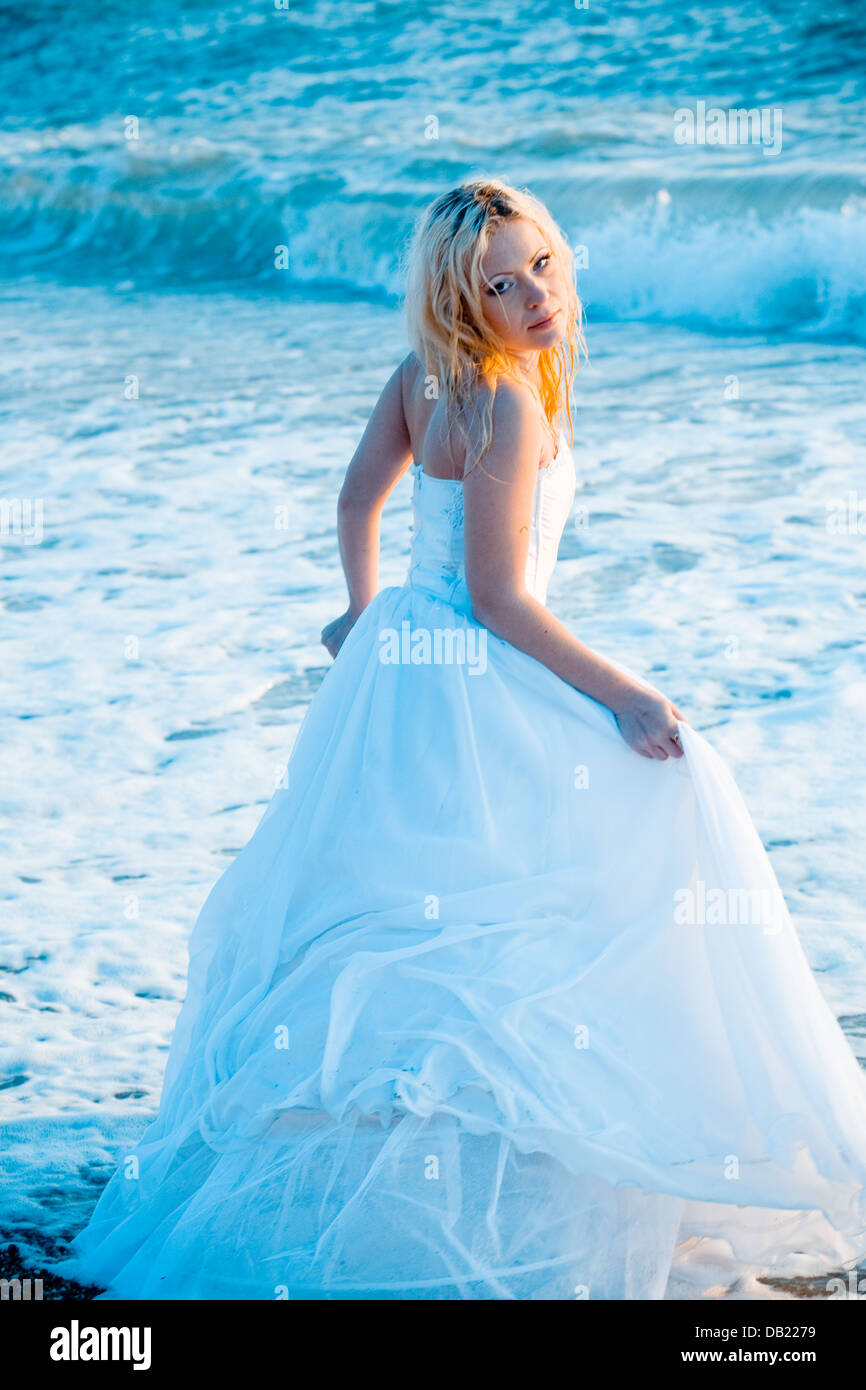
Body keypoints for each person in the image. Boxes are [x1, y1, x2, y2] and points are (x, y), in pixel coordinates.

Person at [65, 178, 866, 1300]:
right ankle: (553, 1192)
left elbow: (358, 502)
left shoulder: (426, 379)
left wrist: (358, 613)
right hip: (477, 668)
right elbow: (499, 598)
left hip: (401, 672)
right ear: (459, 300)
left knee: (414, 914)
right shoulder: (505, 402)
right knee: (626, 835)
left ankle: (418, 1177)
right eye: (498, 284)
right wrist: (626, 691)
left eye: (539, 264)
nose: (530, 295)